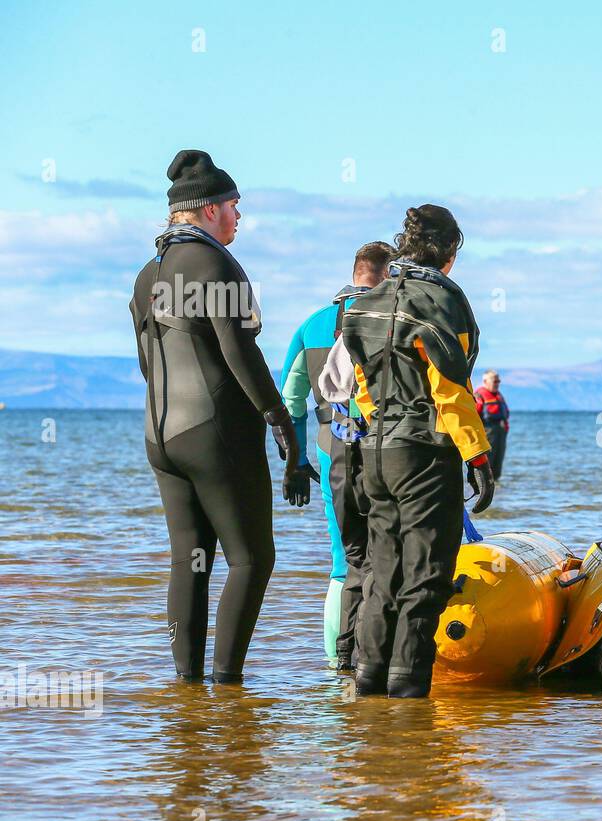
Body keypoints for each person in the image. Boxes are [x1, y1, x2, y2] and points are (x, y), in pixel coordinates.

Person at [129, 149, 304, 683]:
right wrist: (279, 419)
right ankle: (228, 690)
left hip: (161, 436)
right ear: (208, 210)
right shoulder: (215, 264)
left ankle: (187, 690)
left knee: (191, 559)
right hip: (215, 429)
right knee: (252, 559)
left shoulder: (147, 273)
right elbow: (239, 353)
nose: (238, 216)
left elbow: (146, 362)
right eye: (234, 205)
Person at [338, 205, 495, 698]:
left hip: (377, 450)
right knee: (426, 579)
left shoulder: (366, 302)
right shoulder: (442, 303)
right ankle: (407, 700)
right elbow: (449, 390)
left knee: (383, 572)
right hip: (426, 451)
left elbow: (359, 385)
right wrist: (478, 456)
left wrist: (379, 427)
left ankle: (368, 689)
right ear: (450, 251)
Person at [280, 240, 396, 670]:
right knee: (390, 553)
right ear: (388, 274)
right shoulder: (393, 316)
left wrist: (294, 461)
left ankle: (335, 666)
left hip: (331, 447)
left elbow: (289, 400)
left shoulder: (312, 325)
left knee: (343, 557)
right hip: (388, 447)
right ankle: (384, 660)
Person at [473, 370, 509, 479]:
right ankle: (482, 488)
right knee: (486, 464)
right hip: (488, 432)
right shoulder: (479, 395)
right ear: (485, 381)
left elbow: (505, 413)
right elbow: (474, 417)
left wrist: (505, 428)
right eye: (495, 381)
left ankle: (497, 491)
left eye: (498, 381)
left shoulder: (499, 395)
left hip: (500, 433)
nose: (497, 383)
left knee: (497, 465)